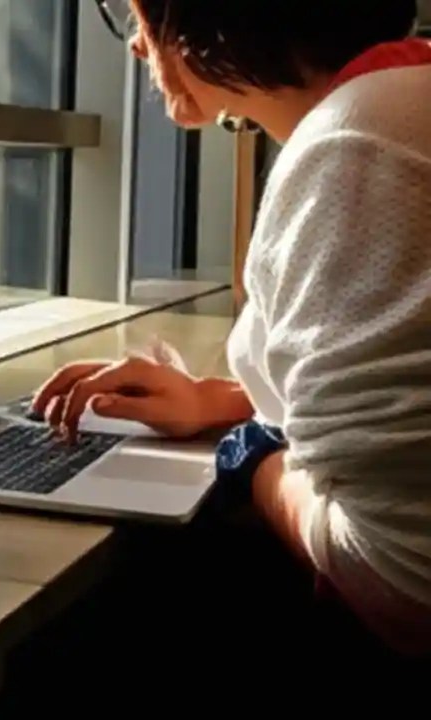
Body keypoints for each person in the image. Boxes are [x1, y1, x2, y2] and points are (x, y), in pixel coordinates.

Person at [35, 0, 431, 660]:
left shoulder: (357, 148)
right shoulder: (393, 106)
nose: (138, 45)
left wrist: (251, 459)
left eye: (137, 14)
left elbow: (403, 581)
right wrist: (217, 402)